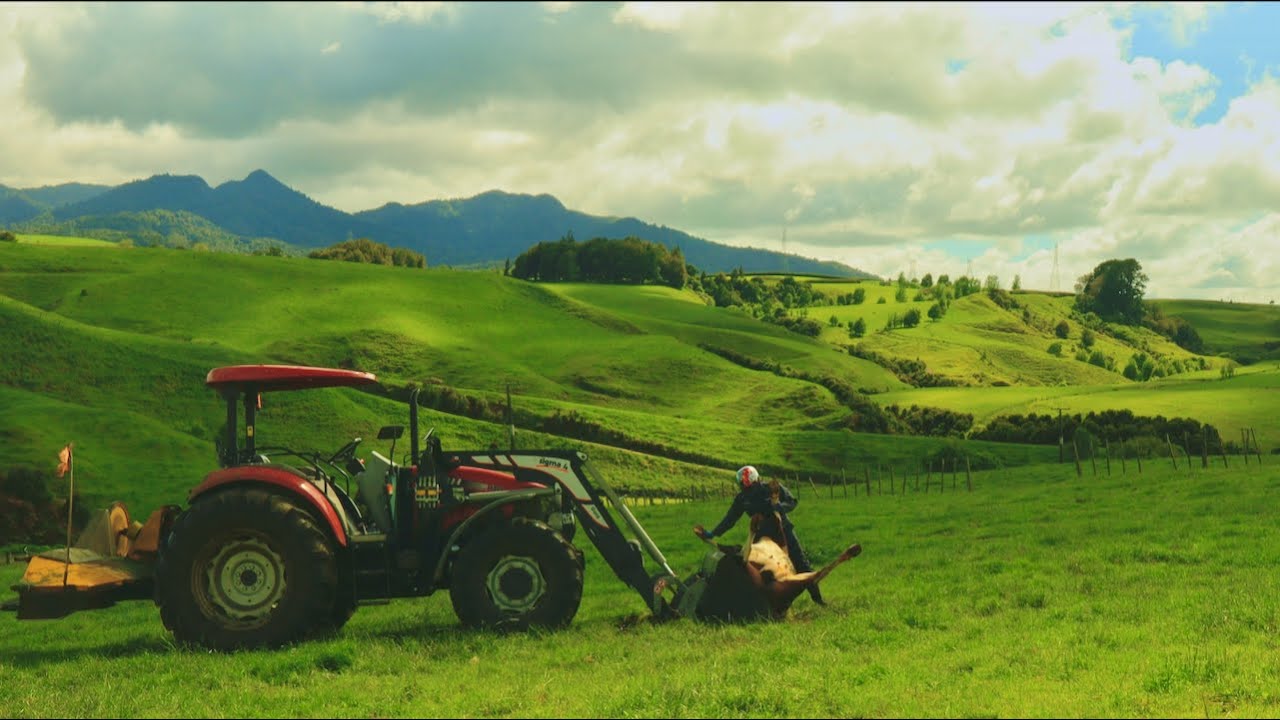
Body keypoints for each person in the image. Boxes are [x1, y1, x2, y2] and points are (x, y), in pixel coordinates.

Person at [693, 465, 825, 606]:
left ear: (755, 480)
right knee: (754, 570)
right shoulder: (742, 498)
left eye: (748, 484)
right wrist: (713, 533)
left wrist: (779, 507)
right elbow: (730, 519)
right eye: (743, 484)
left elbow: (792, 502)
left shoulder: (771, 488)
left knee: (802, 564)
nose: (746, 487)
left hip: (783, 530)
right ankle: (762, 604)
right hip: (761, 535)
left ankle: (818, 599)